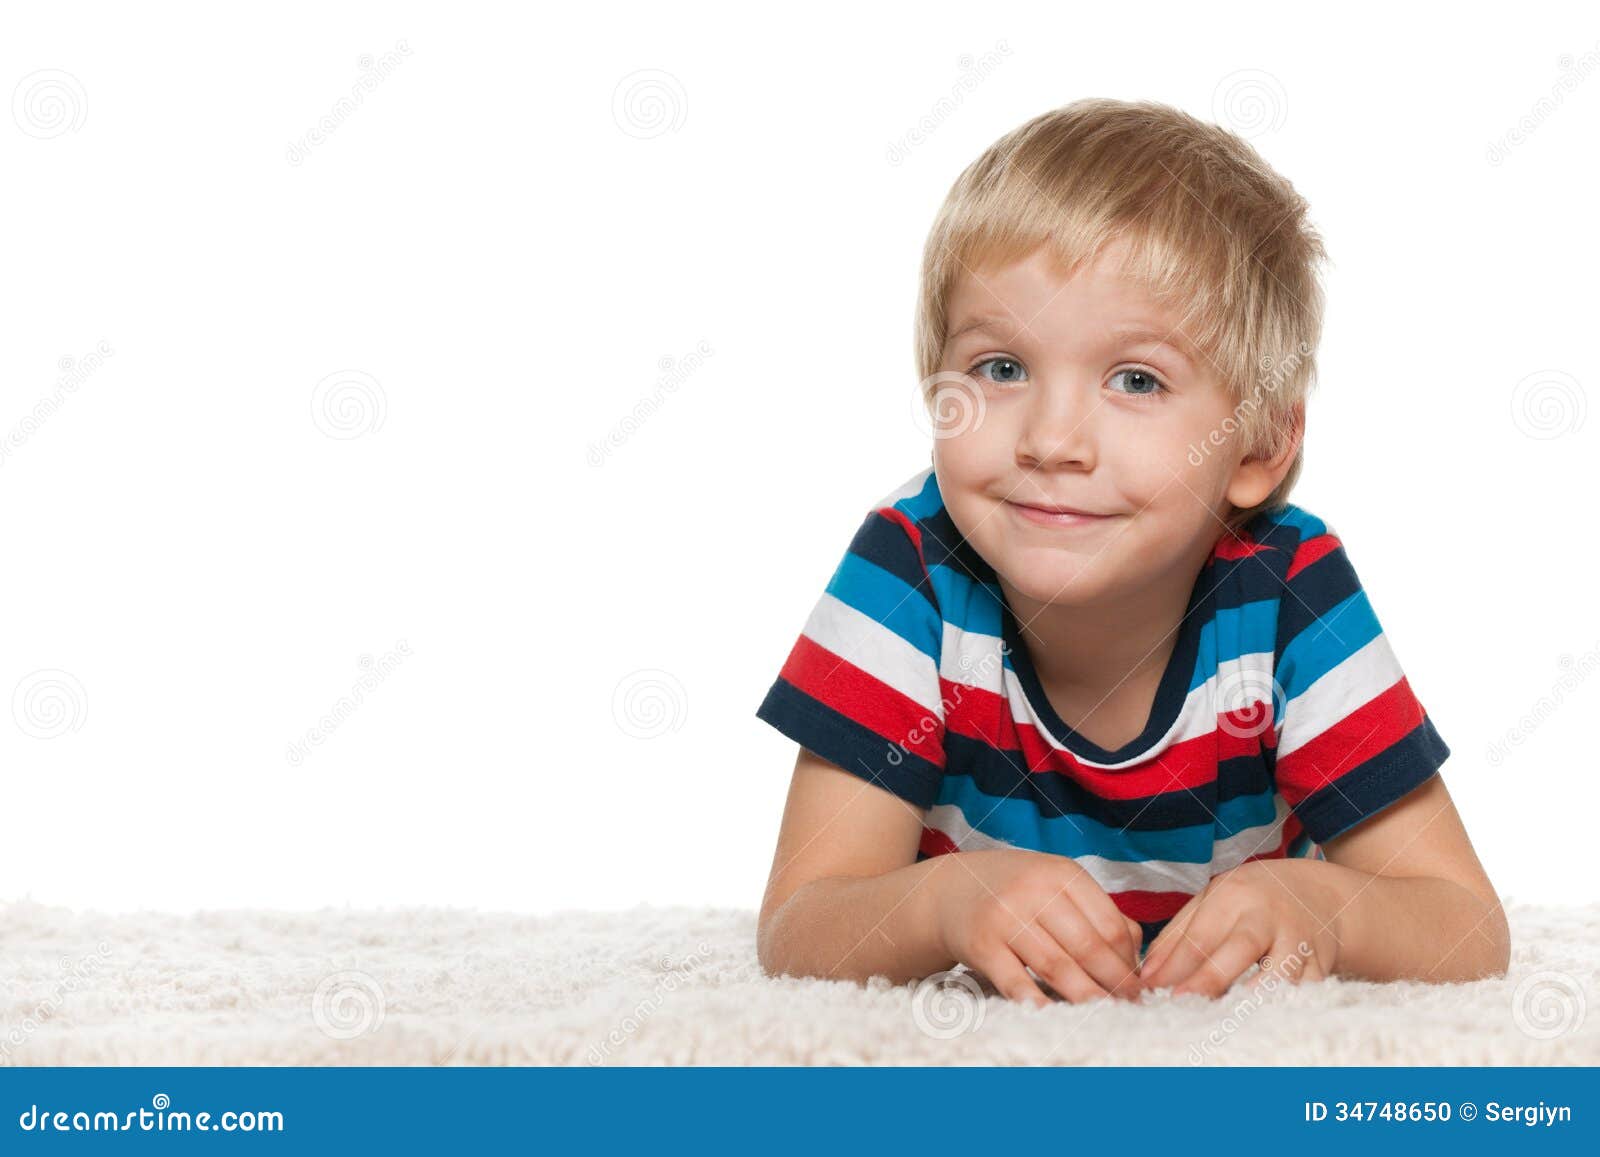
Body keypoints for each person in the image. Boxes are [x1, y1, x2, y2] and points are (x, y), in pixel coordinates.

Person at [752, 98, 1508, 1006]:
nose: (1052, 439)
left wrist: (1324, 908)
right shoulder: (911, 569)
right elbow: (799, 923)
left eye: (1136, 379)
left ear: (1259, 443)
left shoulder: (1287, 591)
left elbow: (1466, 925)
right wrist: (944, 901)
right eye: (1001, 367)